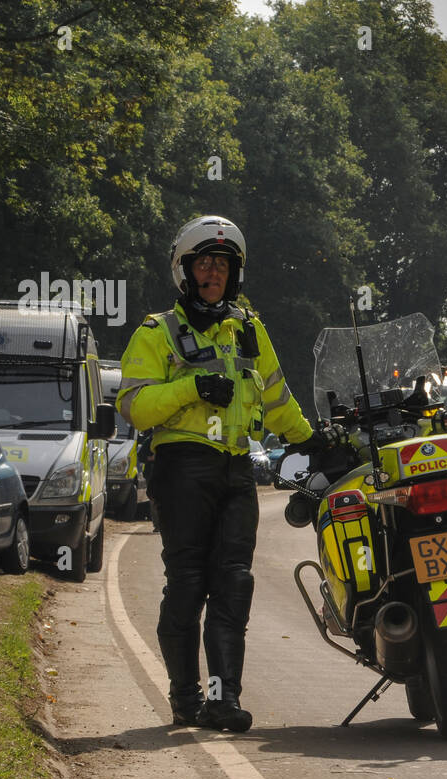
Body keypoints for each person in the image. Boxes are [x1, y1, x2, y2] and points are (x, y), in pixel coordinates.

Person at [117, 215, 331, 731]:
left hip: (237, 469)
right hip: (181, 468)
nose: (213, 272)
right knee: (188, 585)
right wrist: (192, 388)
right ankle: (185, 697)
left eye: (223, 264)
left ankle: (222, 699)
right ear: (184, 271)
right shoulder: (157, 332)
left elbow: (276, 399)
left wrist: (309, 439)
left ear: (235, 274)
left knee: (234, 586)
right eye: (204, 263)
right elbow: (135, 406)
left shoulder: (250, 331)